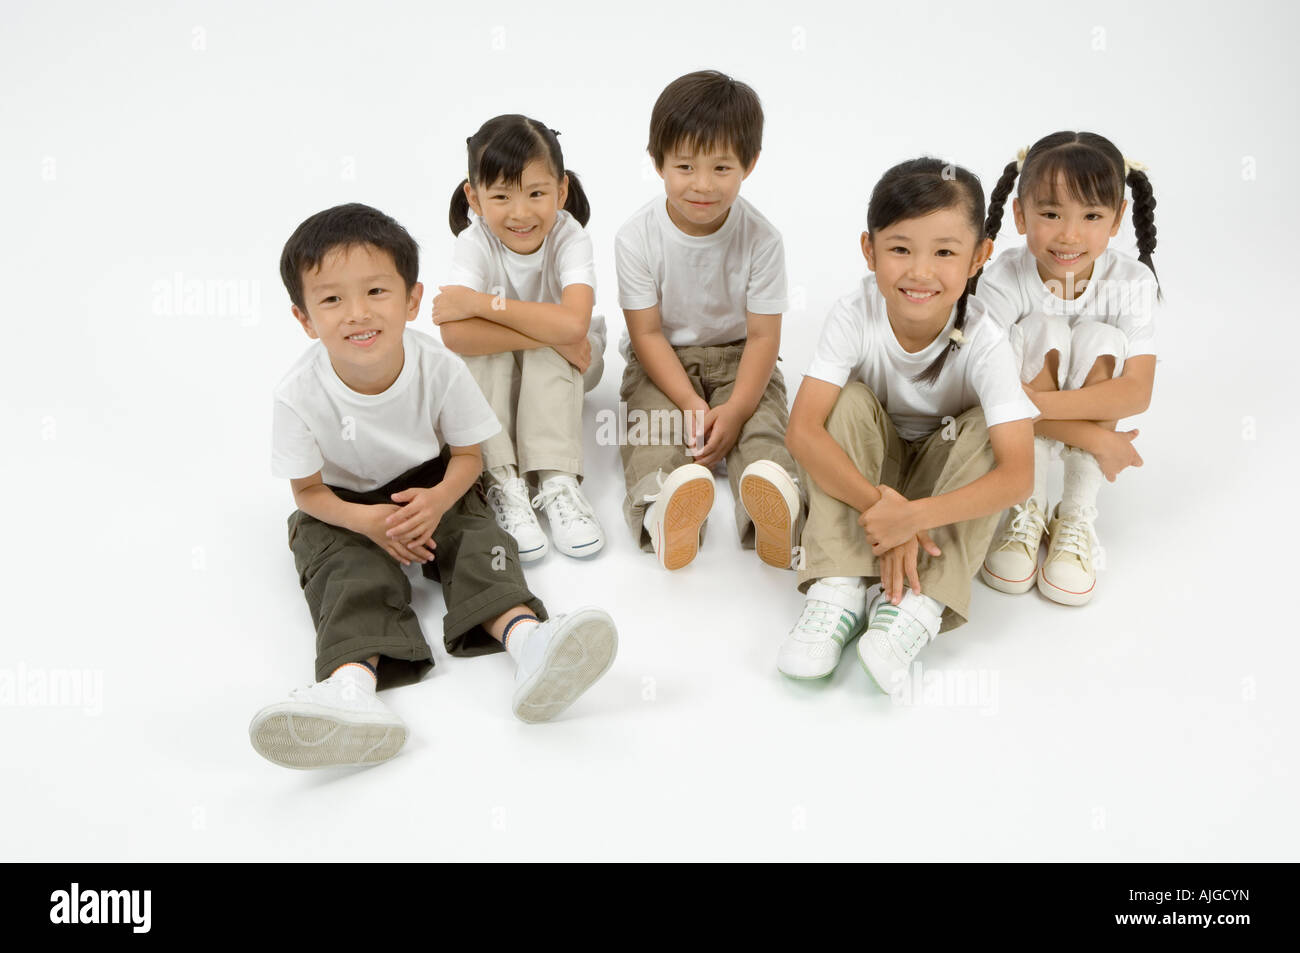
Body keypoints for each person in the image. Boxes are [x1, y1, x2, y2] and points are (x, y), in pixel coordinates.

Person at [250, 203, 618, 770]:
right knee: (349, 574)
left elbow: (469, 457)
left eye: (376, 291)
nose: (356, 313)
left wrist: (439, 500)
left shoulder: (437, 365)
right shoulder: (297, 394)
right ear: (303, 318)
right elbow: (308, 494)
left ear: (412, 300)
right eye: (330, 299)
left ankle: (529, 643)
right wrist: (371, 524)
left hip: (434, 482)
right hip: (343, 507)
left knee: (478, 539)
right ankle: (349, 692)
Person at [782, 159, 1036, 693]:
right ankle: (840, 588)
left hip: (943, 481)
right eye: (900, 249)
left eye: (944, 252)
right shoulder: (855, 312)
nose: (920, 271)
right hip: (873, 476)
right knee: (843, 403)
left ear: (978, 258)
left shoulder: (987, 340)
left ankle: (916, 605)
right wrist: (885, 510)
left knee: (987, 434)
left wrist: (914, 516)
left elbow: (1018, 477)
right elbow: (802, 431)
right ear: (868, 250)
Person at [614, 69, 805, 572]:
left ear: (750, 164)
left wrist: (737, 409)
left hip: (743, 356)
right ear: (657, 163)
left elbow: (765, 336)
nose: (703, 185)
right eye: (685, 166)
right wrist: (690, 402)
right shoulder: (636, 238)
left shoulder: (763, 239)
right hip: (663, 360)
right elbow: (647, 333)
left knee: (764, 430)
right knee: (652, 431)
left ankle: (774, 510)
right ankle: (663, 510)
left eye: (722, 168)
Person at [976, 132, 1159, 606]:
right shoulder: (1002, 279)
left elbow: (1136, 393)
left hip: (1031, 407)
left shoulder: (1133, 281)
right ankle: (1026, 507)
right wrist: (1099, 437)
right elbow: (986, 391)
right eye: (1051, 214)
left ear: (1118, 218)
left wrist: (1036, 404)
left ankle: (1075, 513)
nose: (1070, 235)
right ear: (1020, 214)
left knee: (1105, 339)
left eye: (1092, 216)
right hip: (1008, 428)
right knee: (1043, 327)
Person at [435, 114, 606, 561]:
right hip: (506, 367)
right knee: (482, 356)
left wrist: (480, 306)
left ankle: (556, 478)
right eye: (501, 196)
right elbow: (453, 336)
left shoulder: (570, 238)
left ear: (561, 190)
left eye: (536, 193)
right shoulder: (475, 243)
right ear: (474, 197)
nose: (521, 212)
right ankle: (503, 479)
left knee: (552, 355)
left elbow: (575, 329)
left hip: (576, 361)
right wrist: (548, 333)